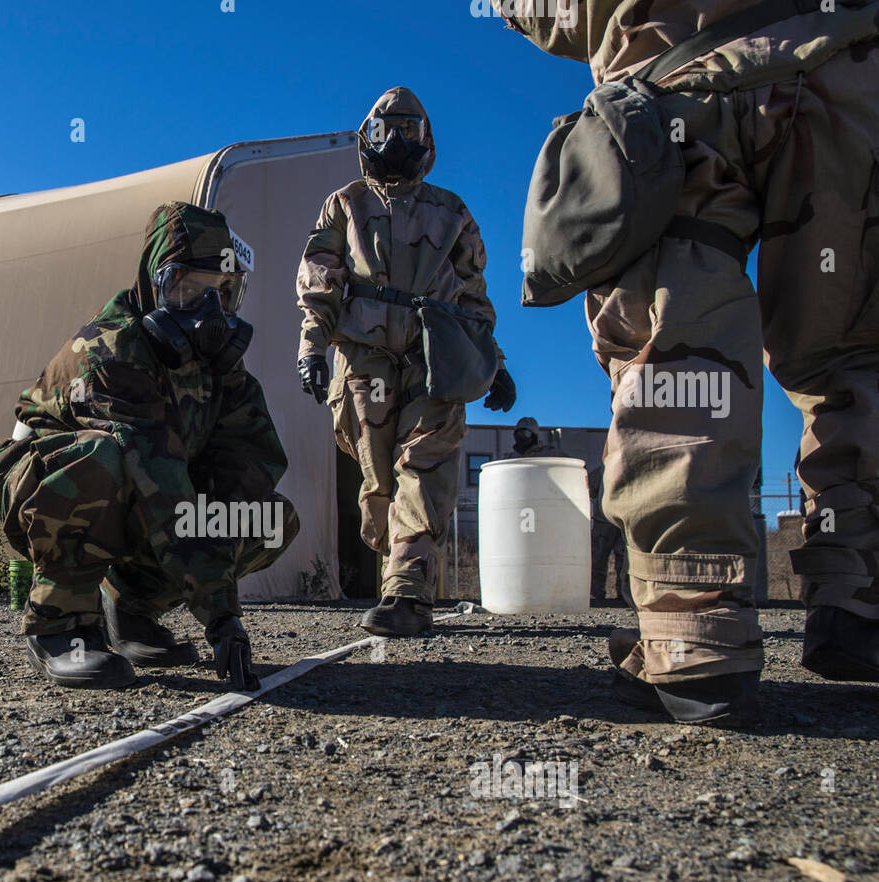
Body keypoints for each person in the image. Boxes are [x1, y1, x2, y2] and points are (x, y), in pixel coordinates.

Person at [496, 1, 879, 722]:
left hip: (681, 86)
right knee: (851, 346)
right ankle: (857, 593)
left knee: (679, 325)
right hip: (850, 70)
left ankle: (696, 628)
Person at [0, 201, 298, 691]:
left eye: (223, 293)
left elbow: (249, 464)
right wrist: (219, 615)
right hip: (41, 482)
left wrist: (223, 598)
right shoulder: (113, 349)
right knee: (107, 459)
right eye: (189, 289)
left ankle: (130, 608)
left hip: (140, 489)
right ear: (156, 283)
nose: (209, 311)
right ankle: (60, 622)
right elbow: (155, 473)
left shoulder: (219, 369)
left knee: (266, 518)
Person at [296, 86, 515, 637]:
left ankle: (408, 590)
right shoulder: (345, 203)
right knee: (378, 481)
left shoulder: (452, 212)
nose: (396, 140)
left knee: (426, 460)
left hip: (433, 354)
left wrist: (495, 361)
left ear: (427, 141)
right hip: (363, 356)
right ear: (366, 137)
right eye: (384, 129)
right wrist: (312, 346)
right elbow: (321, 281)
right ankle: (393, 569)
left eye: (409, 130)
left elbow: (472, 295)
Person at [588, 463, 629, 604]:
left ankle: (601, 593)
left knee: (620, 559)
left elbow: (590, 489)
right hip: (613, 520)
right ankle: (619, 594)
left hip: (611, 520)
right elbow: (590, 489)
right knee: (602, 559)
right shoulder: (604, 469)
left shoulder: (604, 468)